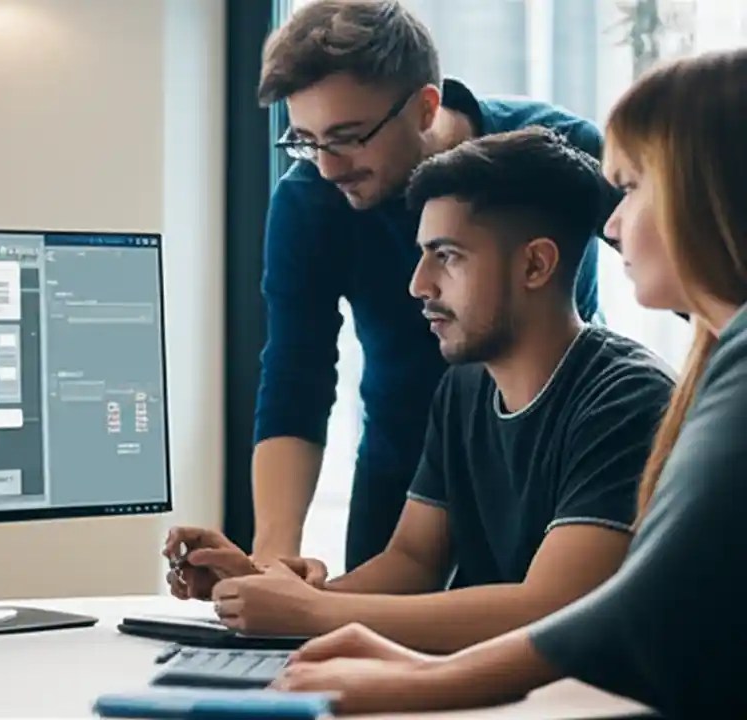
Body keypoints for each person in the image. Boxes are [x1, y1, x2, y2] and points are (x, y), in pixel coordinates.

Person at [271, 47, 747, 719]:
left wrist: (415, 675)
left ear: (709, 193)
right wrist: (284, 597)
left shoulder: (650, 391)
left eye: (634, 186)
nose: (612, 223)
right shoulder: (465, 391)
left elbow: (621, 612)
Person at [166, 128, 674, 653]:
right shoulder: (464, 388)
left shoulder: (628, 401)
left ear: (535, 265)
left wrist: (314, 611)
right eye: (422, 255)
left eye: (446, 256)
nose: (419, 285)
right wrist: (265, 594)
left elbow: (549, 607)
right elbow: (413, 561)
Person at [248, 0, 609, 573]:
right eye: (306, 140)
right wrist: (272, 560)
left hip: (556, 459)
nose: (328, 167)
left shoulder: (557, 150)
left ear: (425, 107)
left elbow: (688, 266)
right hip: (402, 472)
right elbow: (296, 376)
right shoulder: (309, 199)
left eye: (347, 137)